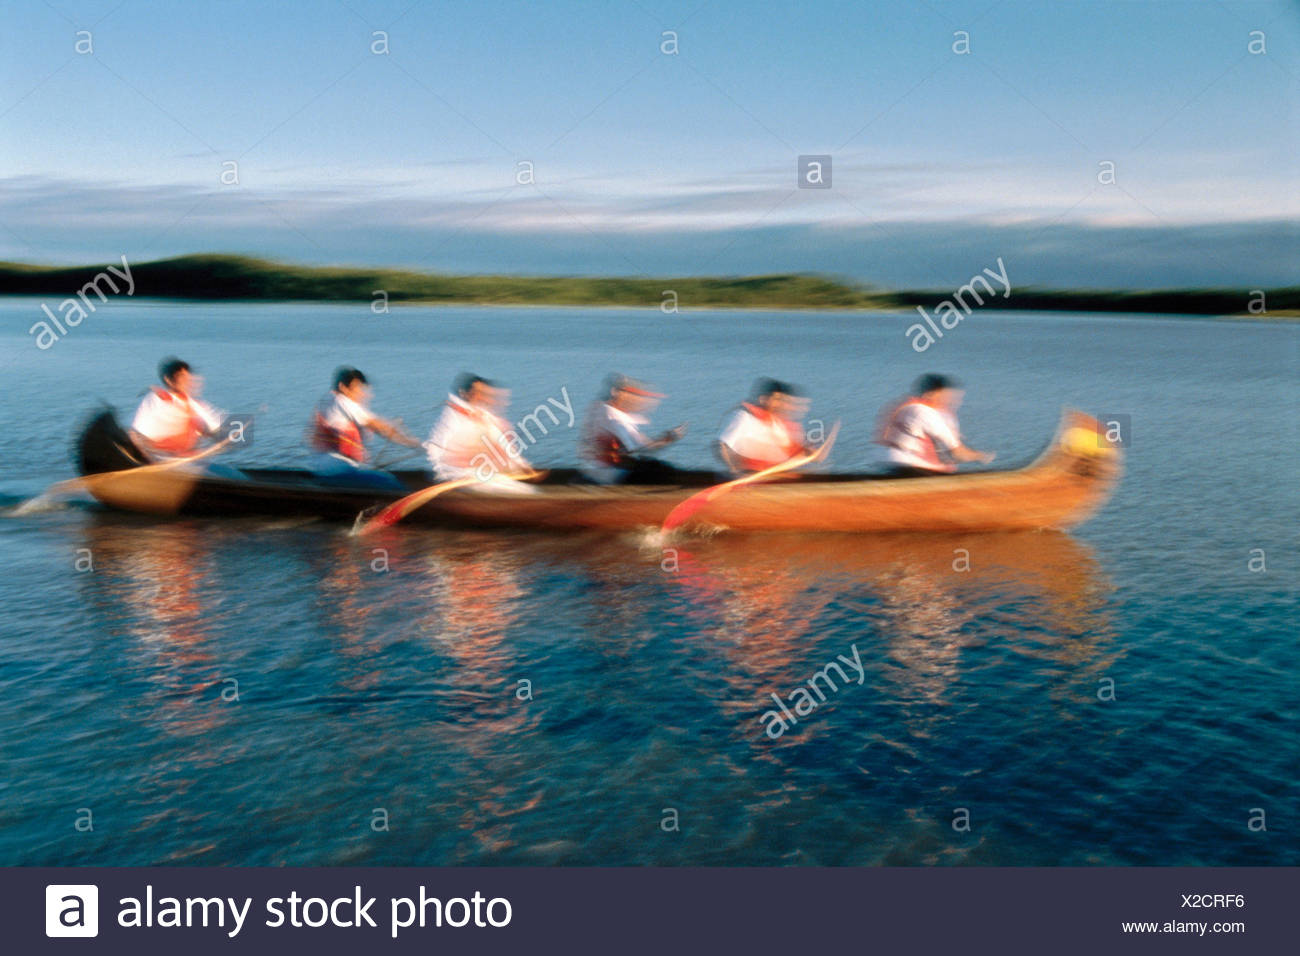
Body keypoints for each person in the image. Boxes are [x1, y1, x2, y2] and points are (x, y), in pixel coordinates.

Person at [424, 373, 539, 493]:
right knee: (524, 492)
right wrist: (444, 475)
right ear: (465, 393)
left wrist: (524, 466)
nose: (480, 396)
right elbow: (436, 450)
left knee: (524, 489)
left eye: (482, 392)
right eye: (477, 392)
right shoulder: (452, 418)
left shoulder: (483, 417)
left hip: (478, 474)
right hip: (458, 477)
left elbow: (503, 444)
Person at [308, 367, 420, 490]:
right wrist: (414, 443)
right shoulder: (342, 401)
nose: (361, 393)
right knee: (391, 482)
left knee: (382, 476)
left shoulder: (327, 400)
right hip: (338, 470)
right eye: (358, 389)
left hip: (326, 470)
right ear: (343, 387)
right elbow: (379, 427)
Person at [876, 373, 995, 475]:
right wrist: (981, 456)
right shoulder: (927, 413)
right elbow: (958, 453)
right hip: (909, 467)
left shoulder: (905, 406)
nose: (951, 400)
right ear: (933, 394)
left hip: (885, 463)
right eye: (947, 395)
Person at [578, 374, 687, 484]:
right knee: (663, 471)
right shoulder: (615, 417)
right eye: (629, 394)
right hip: (611, 474)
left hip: (590, 470)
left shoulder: (598, 408)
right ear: (616, 393)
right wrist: (668, 438)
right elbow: (642, 447)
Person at [129, 357, 233, 470]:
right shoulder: (155, 400)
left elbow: (215, 429)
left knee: (234, 475)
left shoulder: (192, 404)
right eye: (182, 377)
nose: (187, 381)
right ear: (168, 380)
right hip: (161, 461)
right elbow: (135, 434)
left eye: (188, 377)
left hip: (189, 461)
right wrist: (146, 460)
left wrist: (225, 436)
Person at [716, 378, 813, 475]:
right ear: (763, 399)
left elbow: (790, 451)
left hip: (772, 476)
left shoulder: (777, 424)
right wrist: (734, 470)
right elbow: (722, 446)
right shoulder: (744, 417)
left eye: (782, 400)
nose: (780, 404)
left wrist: (807, 452)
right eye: (776, 399)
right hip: (748, 476)